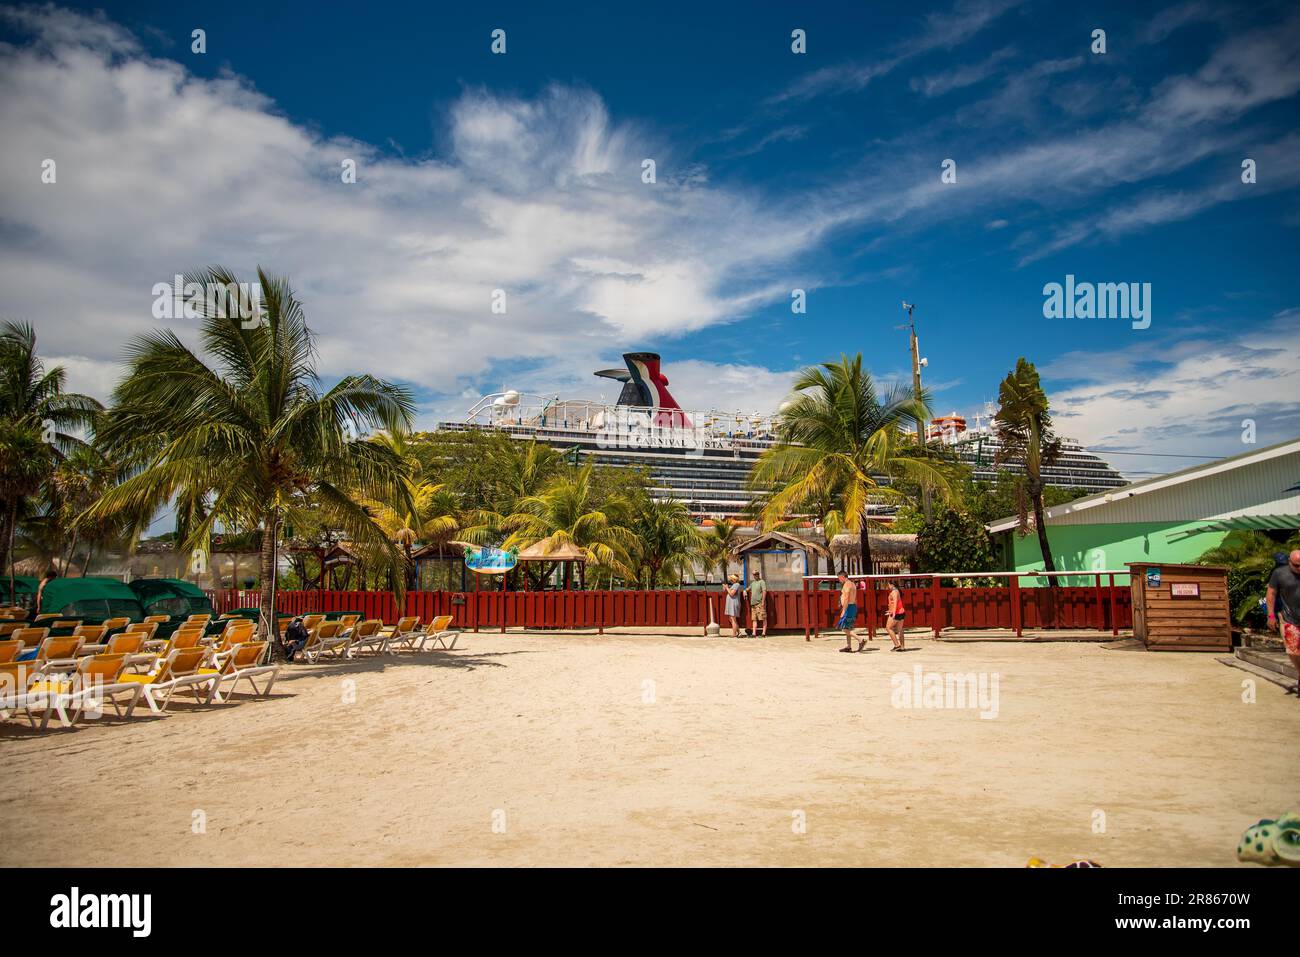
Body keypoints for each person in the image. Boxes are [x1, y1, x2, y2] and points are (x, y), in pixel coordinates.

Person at [1266, 548, 1300, 696]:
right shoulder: (1279, 574)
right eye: (1296, 565)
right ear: (1289, 562)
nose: (1299, 568)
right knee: (1293, 651)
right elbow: (1271, 594)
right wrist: (1271, 616)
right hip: (1289, 618)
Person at [835, 571, 862, 653]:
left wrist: (844, 610)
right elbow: (855, 598)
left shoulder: (847, 584)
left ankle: (860, 639)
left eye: (839, 578)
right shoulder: (853, 584)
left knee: (844, 628)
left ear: (842, 576)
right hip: (852, 606)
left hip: (848, 607)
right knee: (848, 627)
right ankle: (848, 646)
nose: (839, 580)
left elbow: (846, 598)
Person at [885, 581, 906, 651]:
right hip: (901, 612)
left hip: (896, 613)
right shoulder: (897, 591)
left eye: (888, 585)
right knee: (900, 630)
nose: (888, 586)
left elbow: (895, 603)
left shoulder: (894, 592)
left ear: (892, 585)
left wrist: (893, 613)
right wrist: (890, 611)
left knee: (888, 628)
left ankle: (897, 645)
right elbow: (894, 603)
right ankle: (902, 647)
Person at [746, 571, 768, 637]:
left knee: (763, 618)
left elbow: (764, 591)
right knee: (754, 619)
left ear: (758, 574)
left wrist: (763, 601)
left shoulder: (762, 582)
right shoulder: (753, 583)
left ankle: (763, 633)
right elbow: (748, 589)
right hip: (753, 604)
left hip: (760, 603)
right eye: (754, 574)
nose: (755, 575)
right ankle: (754, 633)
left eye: (756, 574)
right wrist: (744, 591)